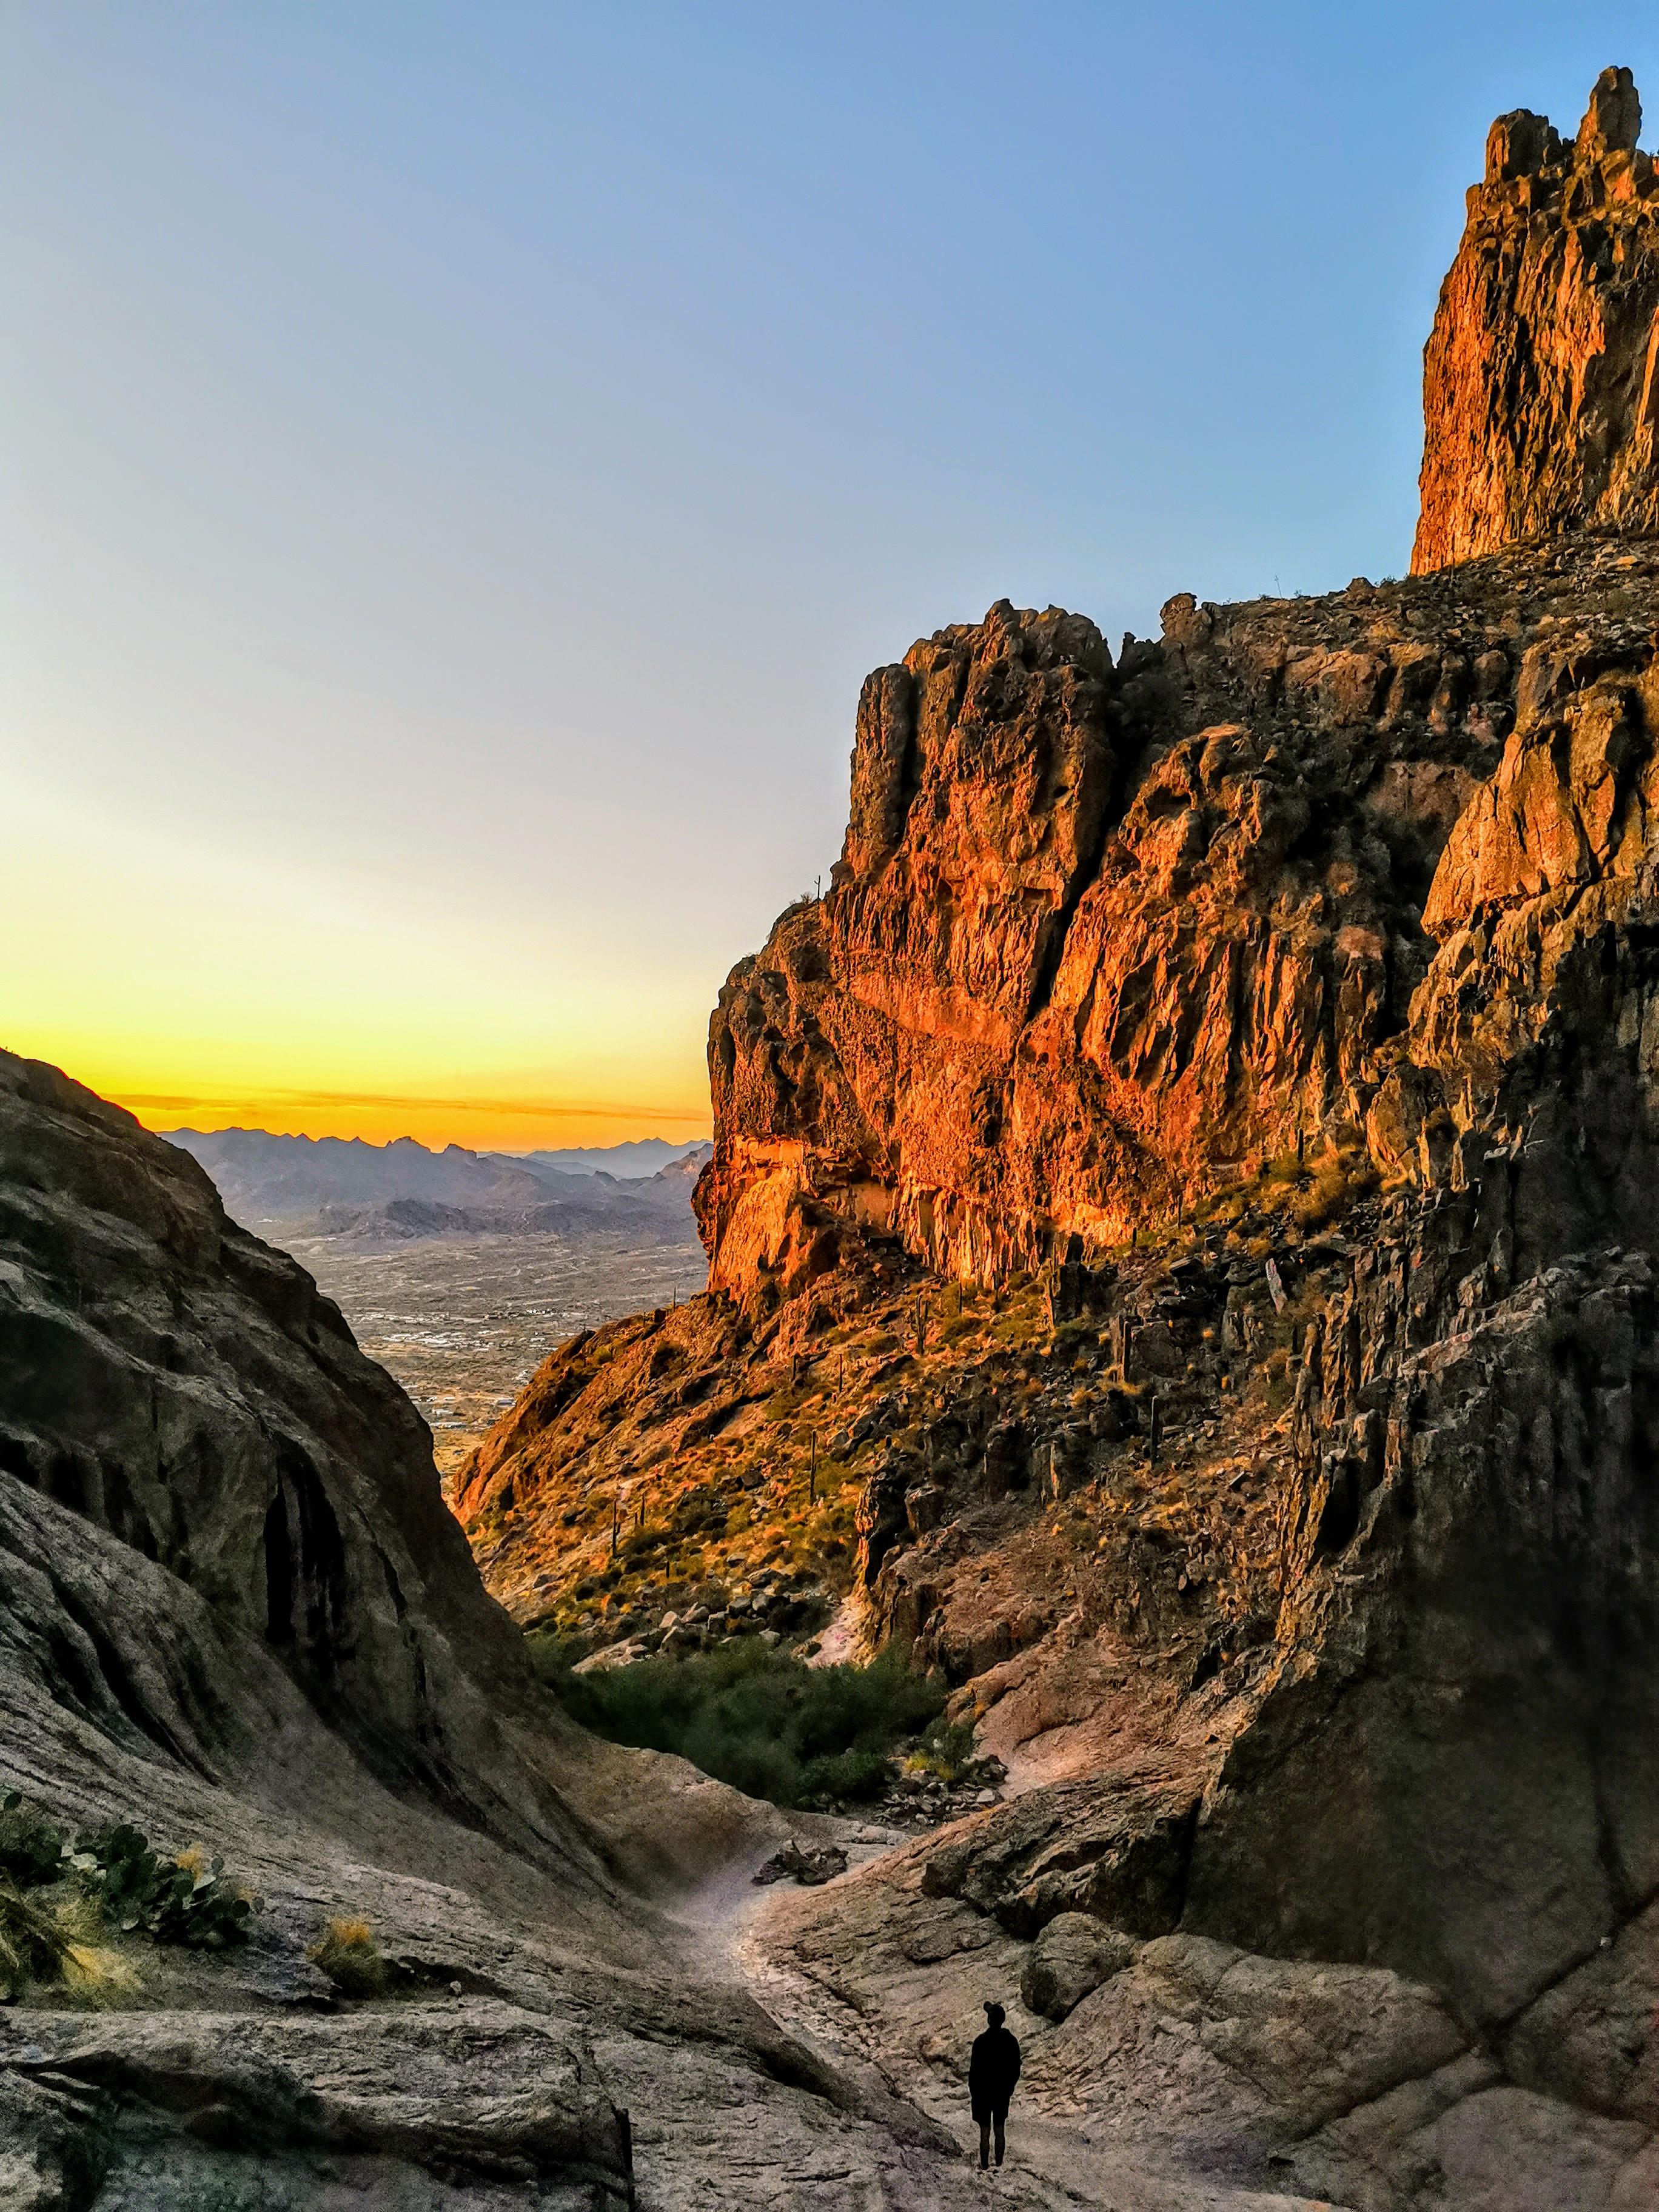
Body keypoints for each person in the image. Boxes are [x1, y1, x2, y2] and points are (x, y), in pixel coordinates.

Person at [968, 1999, 1021, 2170]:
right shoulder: (1010, 2041)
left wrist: (974, 2093)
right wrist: (1009, 2088)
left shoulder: (980, 2042)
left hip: (983, 2093)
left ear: (989, 2020)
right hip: (1001, 2092)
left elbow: (974, 2071)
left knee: (985, 2132)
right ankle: (999, 2164)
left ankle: (984, 2166)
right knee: (1000, 2130)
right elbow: (1015, 2068)